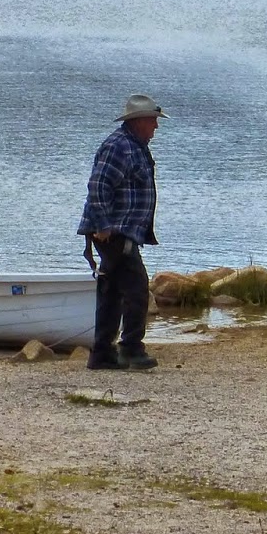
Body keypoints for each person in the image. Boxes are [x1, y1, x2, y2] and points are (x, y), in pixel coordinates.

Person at [78, 94, 167, 371]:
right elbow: (98, 186)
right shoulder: (120, 147)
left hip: (121, 230)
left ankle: (102, 353)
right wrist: (103, 225)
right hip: (114, 231)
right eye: (153, 121)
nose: (156, 126)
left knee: (112, 290)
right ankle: (130, 348)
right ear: (138, 121)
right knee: (138, 289)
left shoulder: (134, 146)